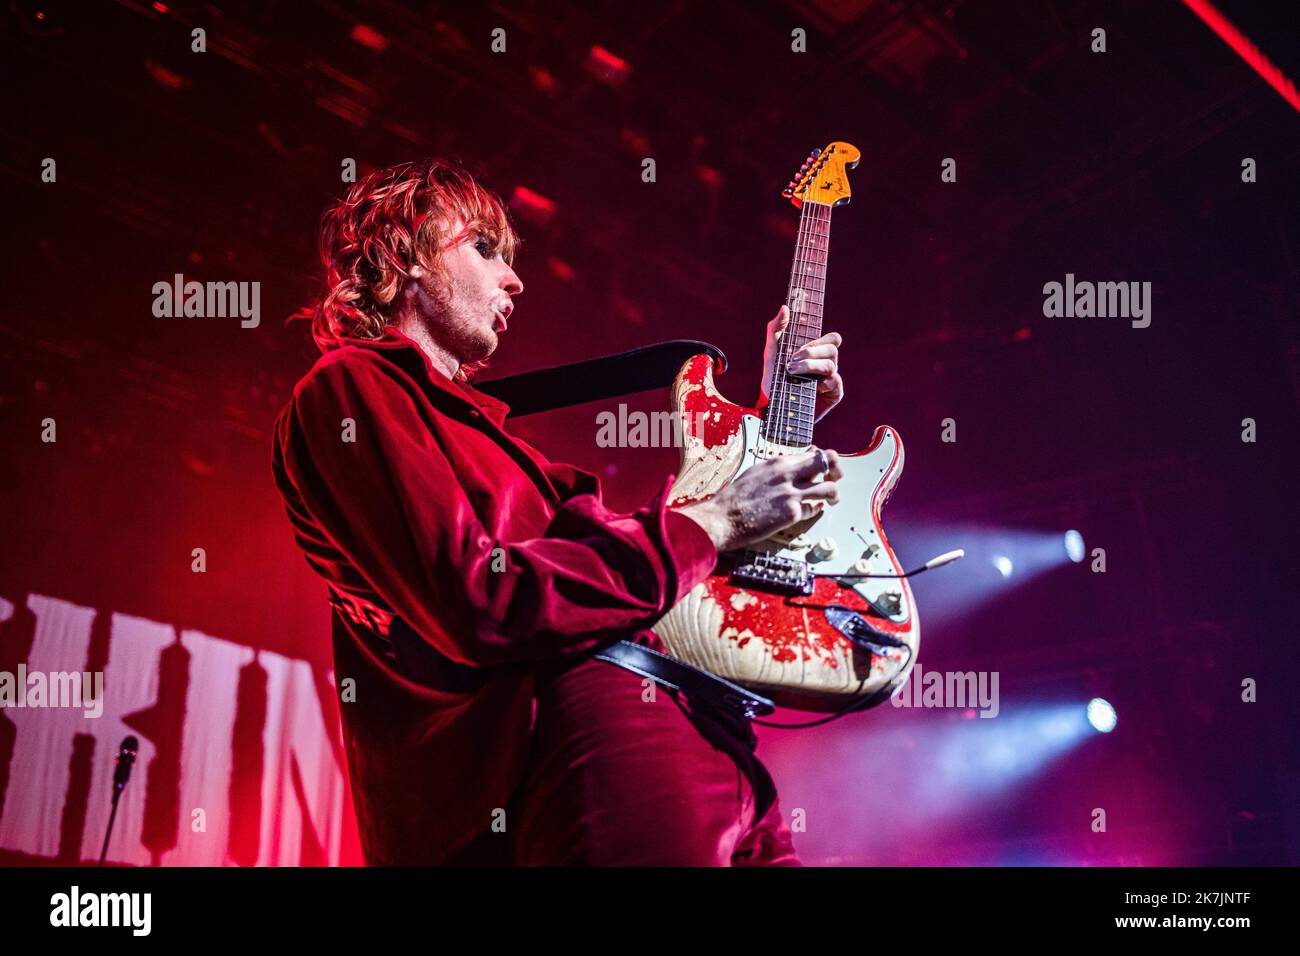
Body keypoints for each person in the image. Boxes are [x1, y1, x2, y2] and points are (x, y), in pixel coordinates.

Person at [271, 158, 846, 865]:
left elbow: (642, 568)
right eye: (484, 249)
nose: (514, 280)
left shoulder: (498, 443)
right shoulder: (350, 387)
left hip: (710, 734)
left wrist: (767, 427)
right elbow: (482, 597)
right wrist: (717, 523)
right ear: (402, 255)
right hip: (600, 740)